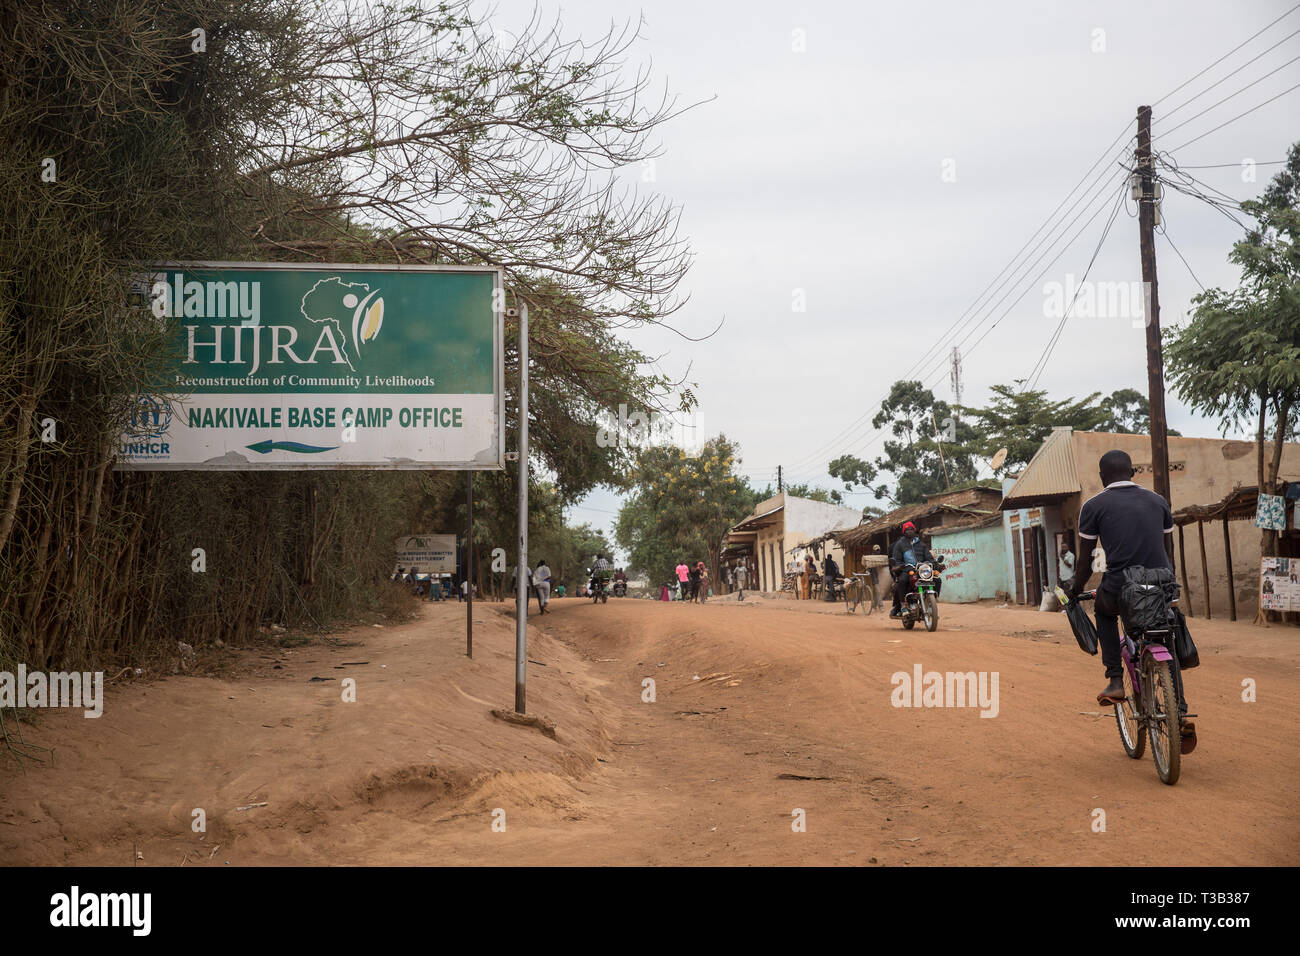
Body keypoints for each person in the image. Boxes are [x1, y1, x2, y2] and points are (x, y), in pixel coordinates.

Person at [1063, 449, 1195, 753]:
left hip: (1122, 587)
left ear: (1101, 476)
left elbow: (1084, 564)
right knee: (1167, 636)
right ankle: (1181, 709)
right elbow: (1167, 550)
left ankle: (1115, 679)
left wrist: (1075, 587)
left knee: (1103, 611)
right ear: (1132, 472)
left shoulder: (1093, 506)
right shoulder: (1158, 501)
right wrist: (1168, 584)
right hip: (1161, 584)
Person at [889, 522, 937, 616]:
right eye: (907, 530)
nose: (909, 531)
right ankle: (903, 607)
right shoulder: (899, 545)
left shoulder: (921, 544)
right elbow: (896, 560)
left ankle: (931, 600)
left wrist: (934, 564)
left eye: (911, 529)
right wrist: (900, 566)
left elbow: (929, 557)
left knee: (937, 579)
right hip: (907, 570)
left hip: (922, 570)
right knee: (902, 581)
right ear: (904, 532)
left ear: (914, 530)